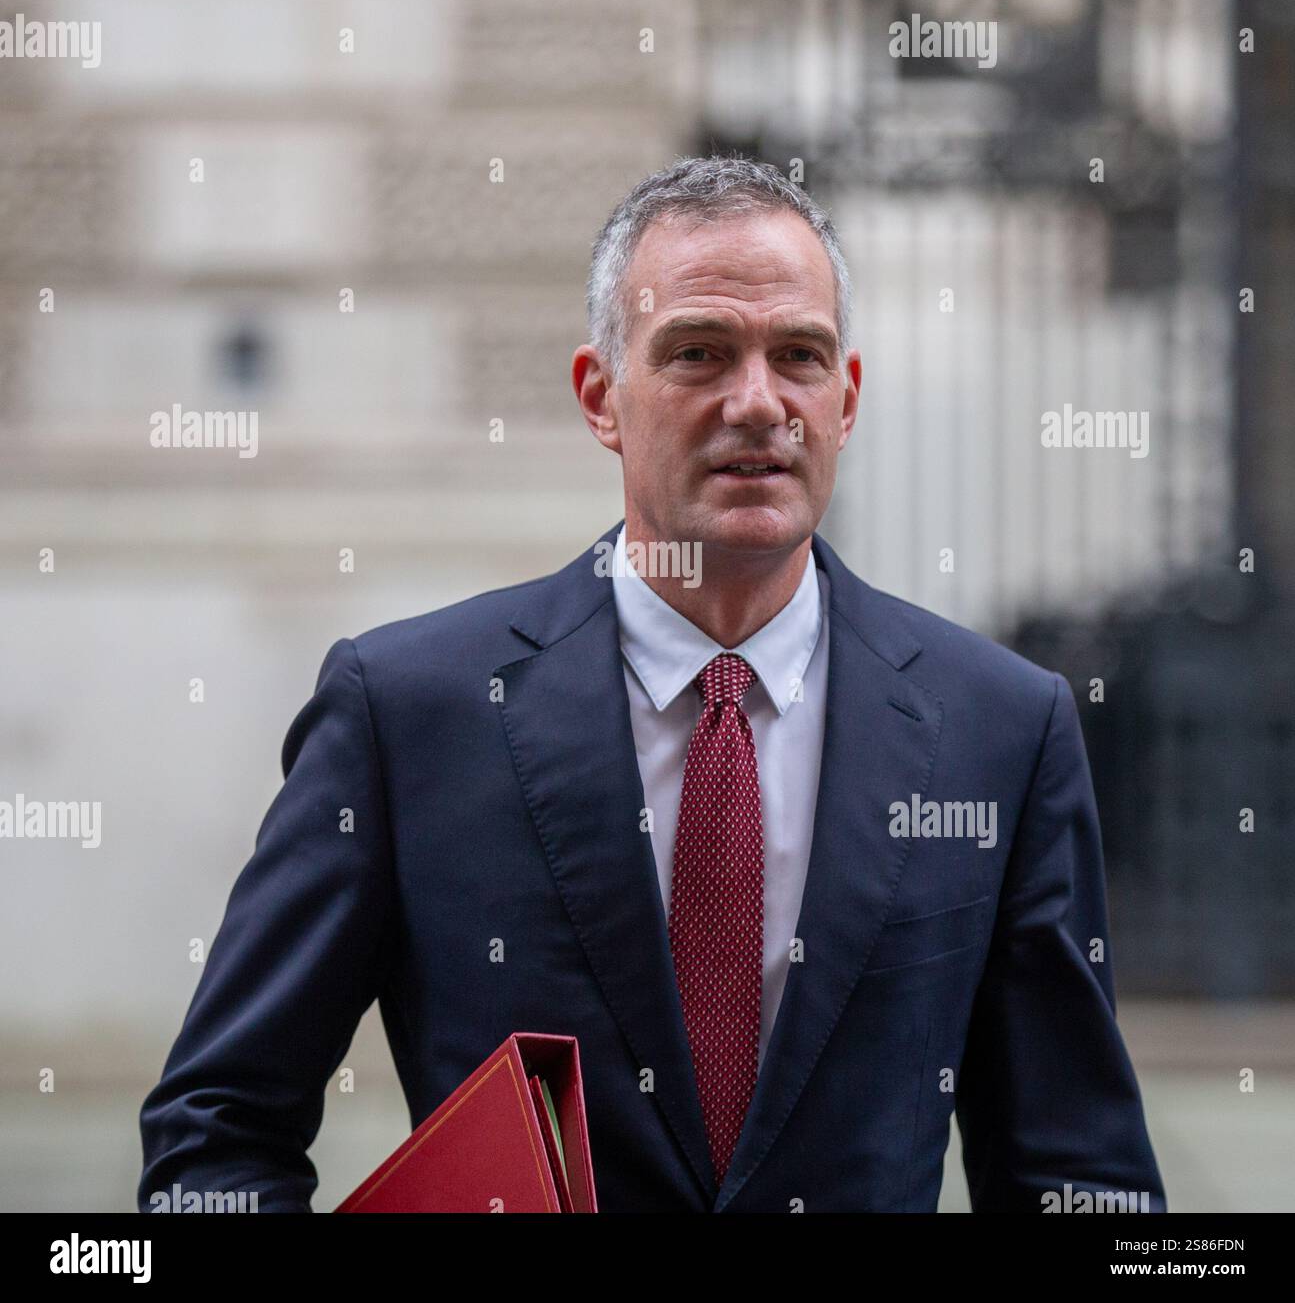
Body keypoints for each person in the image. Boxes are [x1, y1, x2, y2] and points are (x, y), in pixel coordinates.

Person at [138, 156, 1166, 1212]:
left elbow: (1075, 1173)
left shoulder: (998, 728)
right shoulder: (405, 713)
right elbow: (218, 1133)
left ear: (844, 398)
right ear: (601, 397)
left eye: (798, 356)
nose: (758, 402)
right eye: (698, 353)